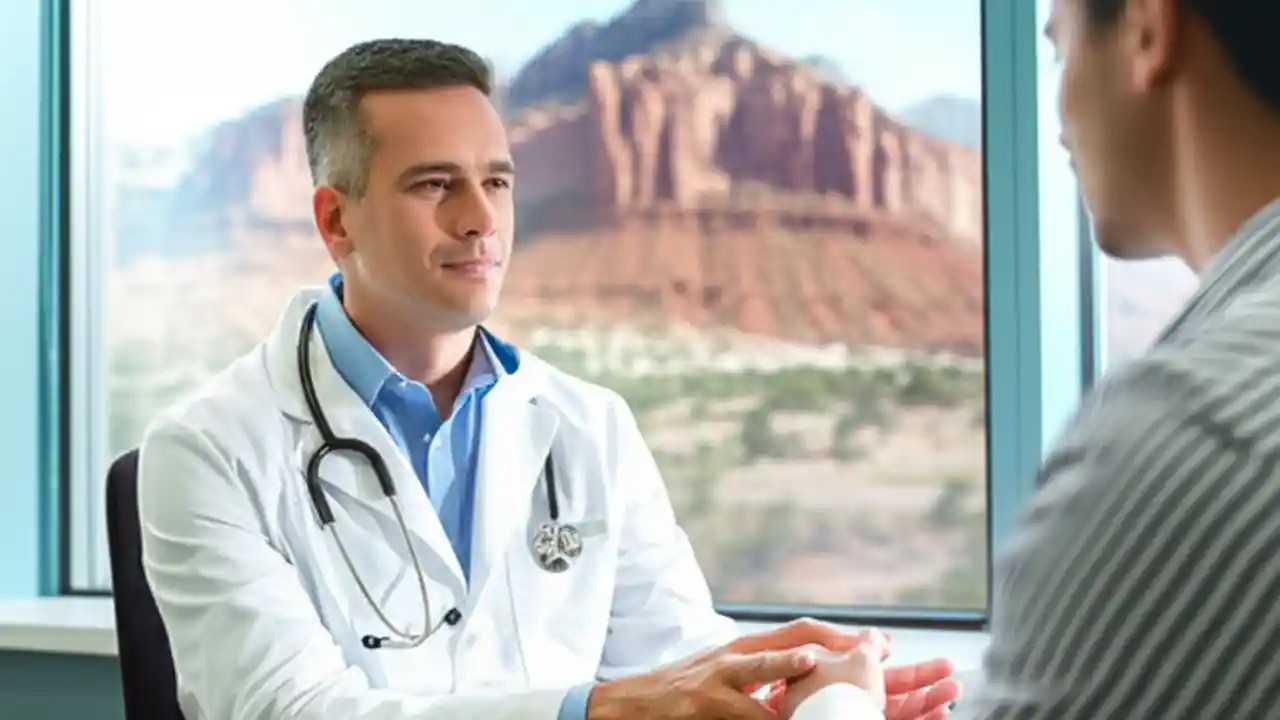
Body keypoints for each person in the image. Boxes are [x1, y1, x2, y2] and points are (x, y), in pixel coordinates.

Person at [136, 38, 959, 720]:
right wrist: (595, 710)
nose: (481, 219)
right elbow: (293, 709)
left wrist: (787, 695)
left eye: (497, 180)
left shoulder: (588, 425)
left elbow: (673, 662)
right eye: (435, 185)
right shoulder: (208, 452)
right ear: (335, 218)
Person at [786, 0, 1280, 717]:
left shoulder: (1198, 440)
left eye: (1059, 52)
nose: (1057, 119)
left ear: (1147, 28)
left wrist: (832, 709)